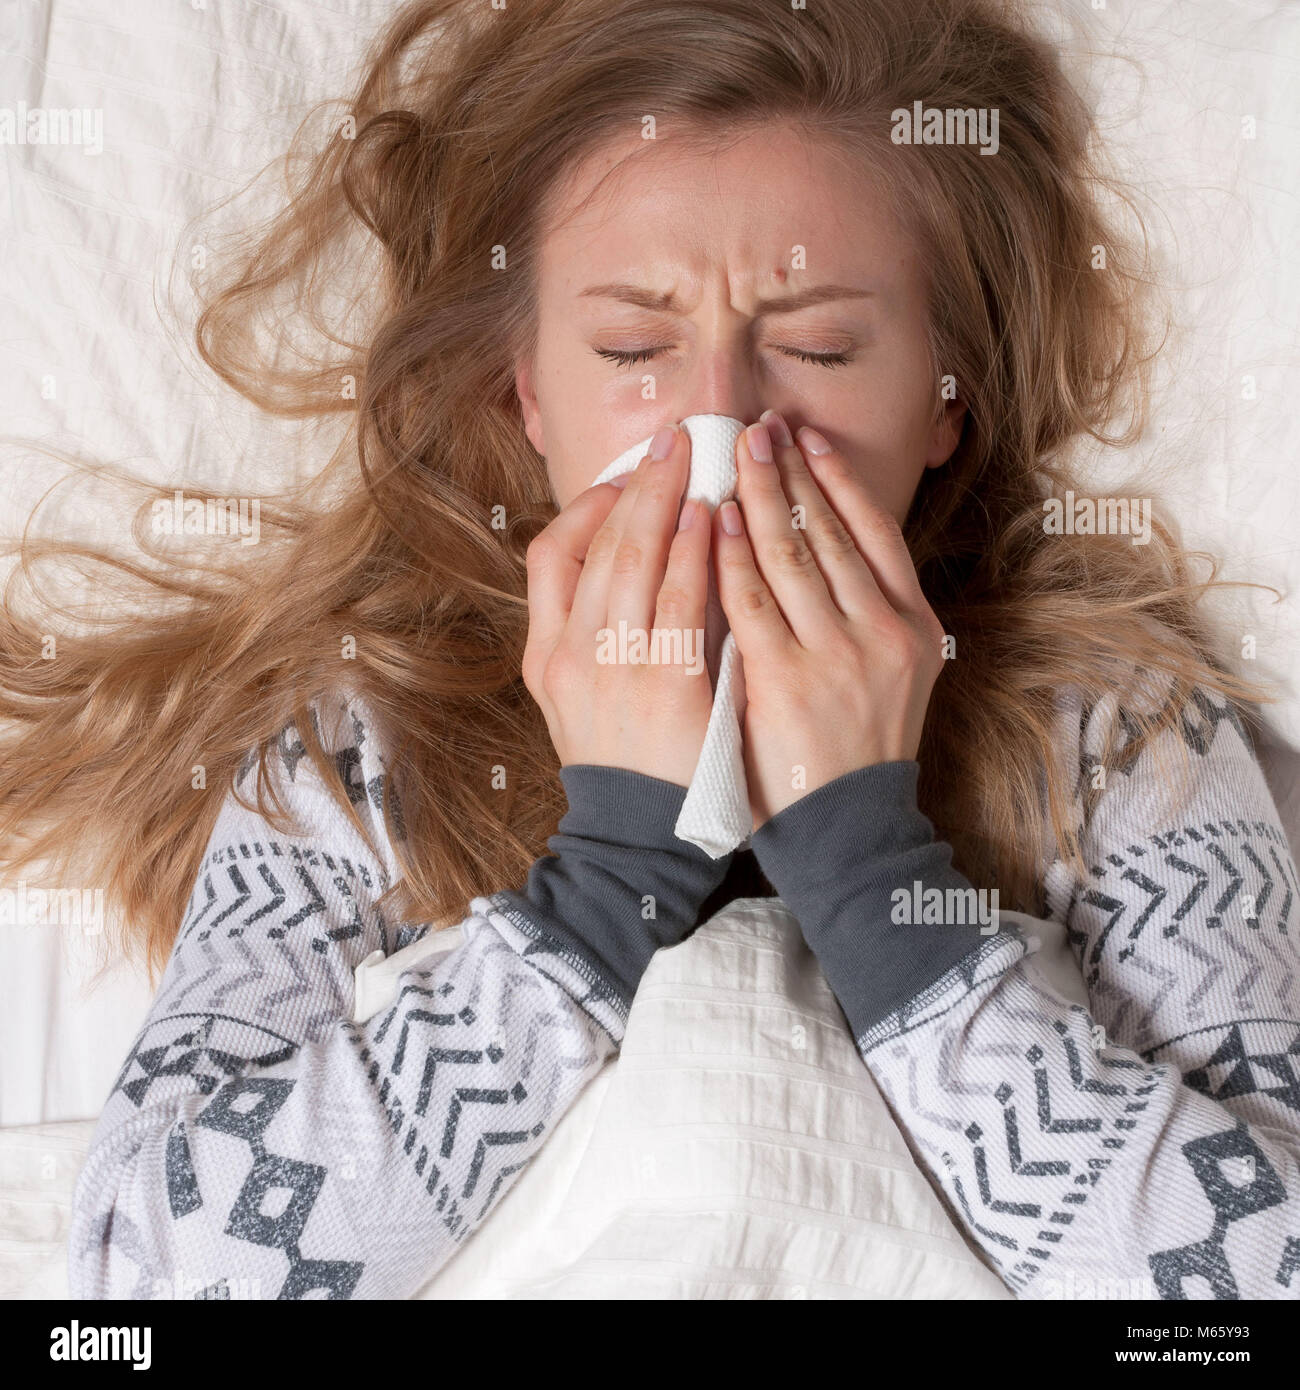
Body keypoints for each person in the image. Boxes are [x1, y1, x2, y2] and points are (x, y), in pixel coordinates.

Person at [1, 0, 1291, 1299]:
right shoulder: (371, 736)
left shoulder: (1113, 723)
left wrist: (872, 874)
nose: (720, 422)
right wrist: (598, 888)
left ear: (945, 397)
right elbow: (139, 1284)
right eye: (633, 349)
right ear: (531, 396)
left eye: (820, 346)